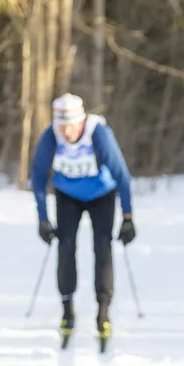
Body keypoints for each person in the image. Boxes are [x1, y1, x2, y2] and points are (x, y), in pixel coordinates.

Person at [31, 93, 135, 348]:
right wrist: (43, 219)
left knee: (102, 246)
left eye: (71, 126)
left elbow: (122, 175)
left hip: (101, 194)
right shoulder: (50, 136)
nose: (67, 132)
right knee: (65, 247)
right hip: (67, 195)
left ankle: (103, 311)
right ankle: (67, 309)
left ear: (81, 121)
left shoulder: (99, 133)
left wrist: (128, 216)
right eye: (62, 127)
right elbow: (37, 177)